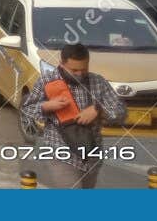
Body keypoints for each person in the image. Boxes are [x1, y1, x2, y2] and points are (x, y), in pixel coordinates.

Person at [21, 43, 127, 188]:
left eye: (84, 69)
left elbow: (121, 111)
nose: (80, 74)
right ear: (61, 64)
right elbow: (26, 109)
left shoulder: (98, 82)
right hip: (60, 151)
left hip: (91, 153)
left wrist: (98, 110)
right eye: (74, 70)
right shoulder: (46, 81)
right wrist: (46, 106)